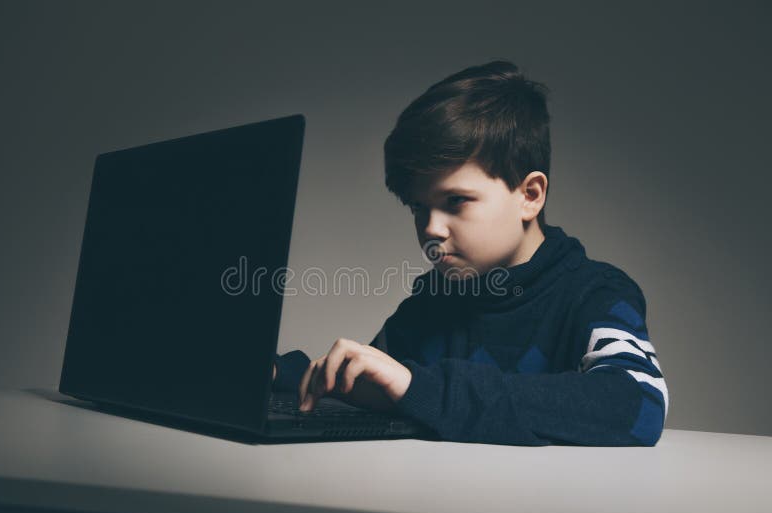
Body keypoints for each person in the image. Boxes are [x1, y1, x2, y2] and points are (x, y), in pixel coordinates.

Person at [271, 59, 669, 446]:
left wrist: (418, 387)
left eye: (456, 201)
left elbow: (638, 404)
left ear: (529, 196)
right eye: (418, 208)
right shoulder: (434, 300)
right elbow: (366, 382)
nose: (430, 227)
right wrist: (276, 374)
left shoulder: (595, 292)